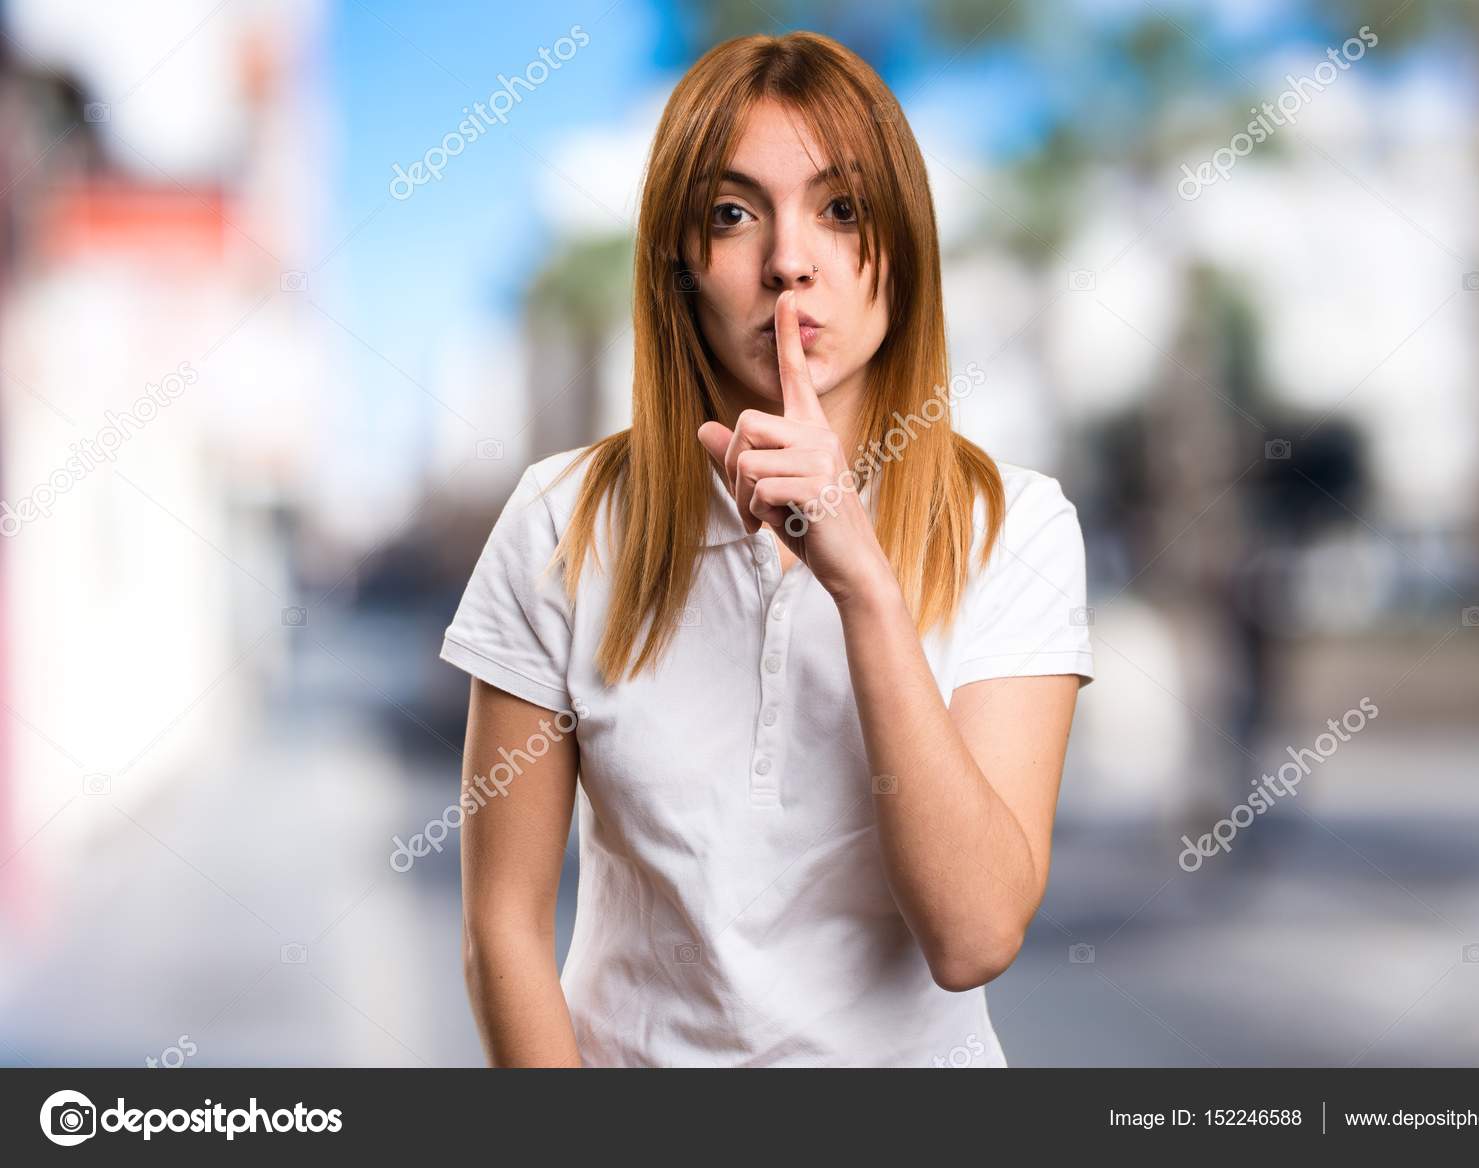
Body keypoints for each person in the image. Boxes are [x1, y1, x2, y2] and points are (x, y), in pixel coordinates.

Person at [440, 30, 1094, 1068]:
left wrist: (863, 583)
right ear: (679, 266)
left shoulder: (1015, 524)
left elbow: (974, 936)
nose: (789, 259)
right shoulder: (558, 520)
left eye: (841, 209)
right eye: (732, 214)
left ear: (904, 247)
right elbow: (502, 934)